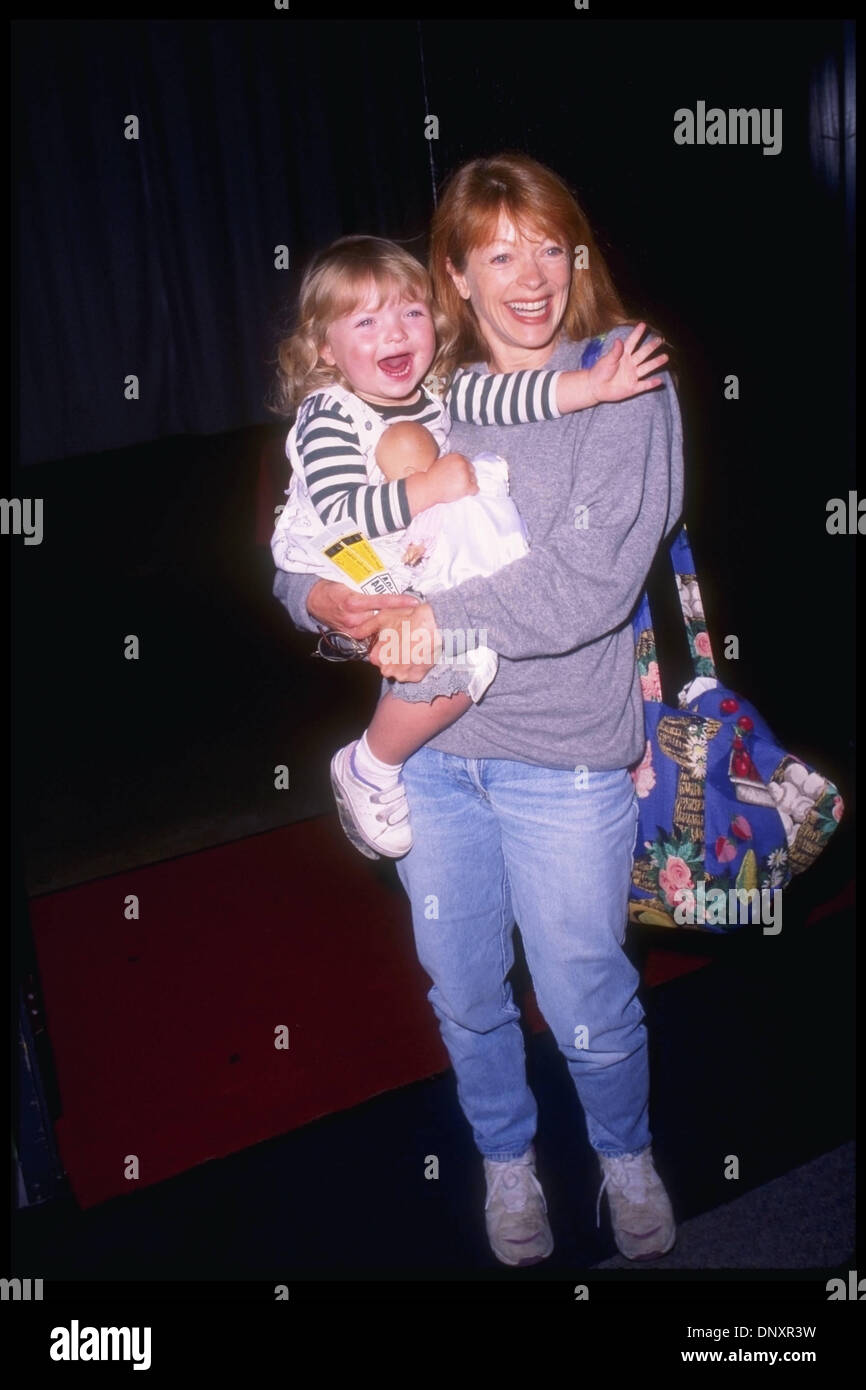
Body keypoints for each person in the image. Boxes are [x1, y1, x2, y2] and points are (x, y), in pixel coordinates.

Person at [272, 155, 683, 1267]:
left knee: (584, 990)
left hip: (562, 755)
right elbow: (308, 549)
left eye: (549, 244)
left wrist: (410, 609)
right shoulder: (415, 390)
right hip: (433, 763)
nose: (530, 275)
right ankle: (507, 1164)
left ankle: (623, 1155)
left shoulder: (618, 376)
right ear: (455, 270)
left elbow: (585, 586)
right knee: (464, 996)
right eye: (496, 251)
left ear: (577, 254)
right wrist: (328, 596)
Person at [270, 234, 666, 859]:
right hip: (343, 546)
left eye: (410, 312)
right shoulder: (328, 413)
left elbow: (515, 396)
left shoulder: (440, 391)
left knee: (456, 650)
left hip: (407, 560)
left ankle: (379, 755)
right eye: (366, 321)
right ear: (325, 348)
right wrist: (427, 487)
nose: (394, 333)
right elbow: (342, 512)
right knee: (461, 656)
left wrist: (590, 388)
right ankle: (371, 762)